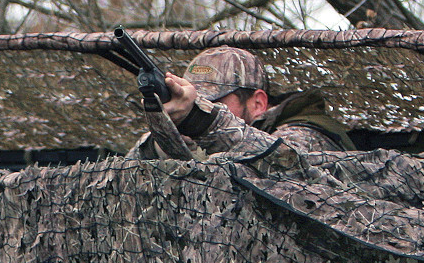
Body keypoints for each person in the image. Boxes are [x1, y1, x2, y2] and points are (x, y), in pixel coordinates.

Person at [125, 46, 354, 171]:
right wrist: (163, 141)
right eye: (196, 102)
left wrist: (201, 121)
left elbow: (282, 164)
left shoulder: (305, 133)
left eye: (214, 102)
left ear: (258, 104)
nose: (202, 108)